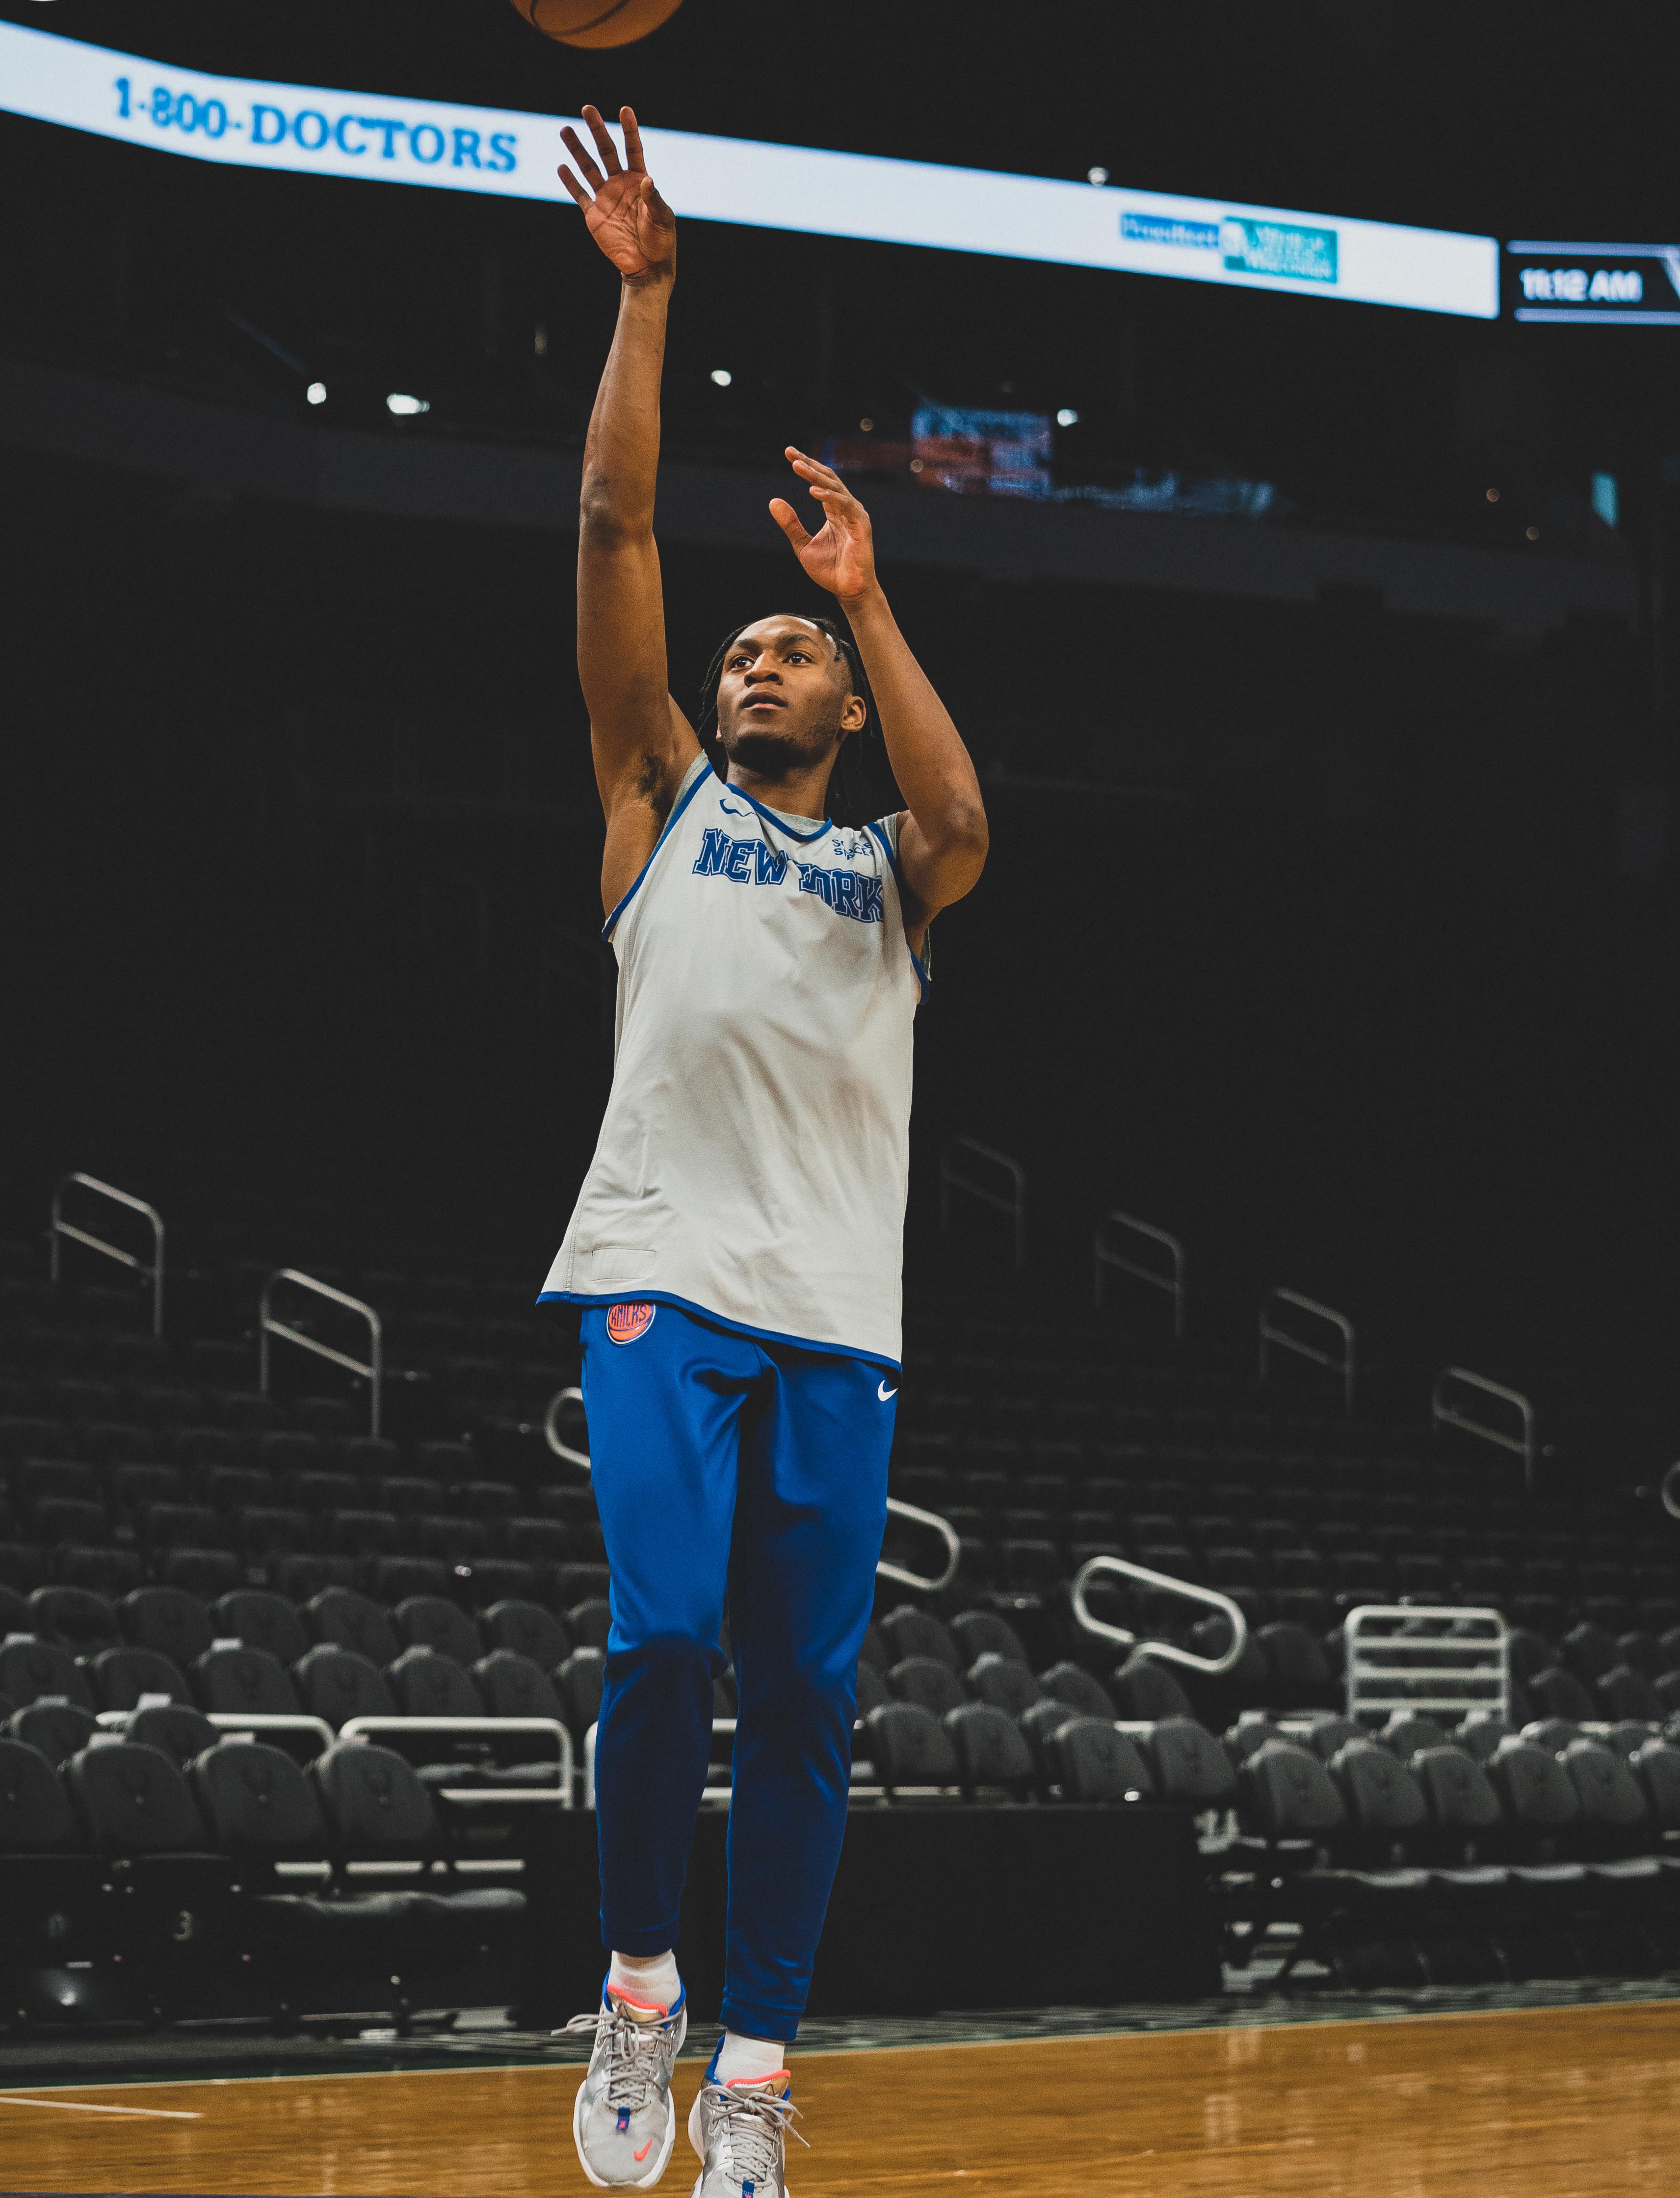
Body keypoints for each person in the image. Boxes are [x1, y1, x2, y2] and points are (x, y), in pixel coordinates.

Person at [540, 106, 988, 2197]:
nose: (753, 656)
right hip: (659, 1259)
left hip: (836, 1311)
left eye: (783, 649)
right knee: (665, 1639)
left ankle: (759, 2067)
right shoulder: (660, 796)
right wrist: (647, 296)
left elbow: (972, 828)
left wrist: (870, 597)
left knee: (807, 1700)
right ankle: (640, 1991)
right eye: (748, 648)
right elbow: (617, 532)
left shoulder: (891, 868)